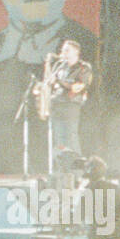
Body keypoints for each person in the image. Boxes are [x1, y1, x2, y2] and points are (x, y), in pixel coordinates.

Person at [40, 38, 92, 168]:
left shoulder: (84, 67)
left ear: (76, 52)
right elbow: (52, 83)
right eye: (63, 49)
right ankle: (61, 170)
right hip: (56, 105)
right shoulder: (60, 66)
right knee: (58, 140)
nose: (63, 52)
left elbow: (78, 87)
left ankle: (78, 171)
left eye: (67, 50)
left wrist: (58, 81)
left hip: (71, 105)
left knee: (71, 138)